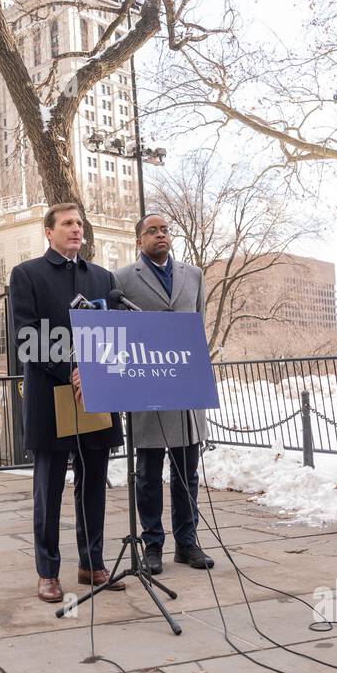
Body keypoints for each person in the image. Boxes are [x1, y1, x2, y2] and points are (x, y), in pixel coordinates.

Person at [8, 203, 126, 603]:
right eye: (68, 224)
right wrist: (71, 370)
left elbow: (112, 334)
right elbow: (26, 335)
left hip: (95, 395)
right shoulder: (27, 274)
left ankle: (91, 563)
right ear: (49, 232)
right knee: (50, 487)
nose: (76, 229)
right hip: (51, 395)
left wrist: (94, 373)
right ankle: (48, 571)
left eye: (79, 224)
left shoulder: (103, 279)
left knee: (94, 482)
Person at [114, 213, 213, 573]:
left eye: (164, 230)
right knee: (148, 474)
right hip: (147, 387)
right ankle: (152, 544)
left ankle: (187, 544)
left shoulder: (194, 275)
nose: (160, 235)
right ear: (139, 240)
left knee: (187, 473)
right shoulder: (123, 279)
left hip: (185, 386)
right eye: (151, 231)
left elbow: (197, 324)